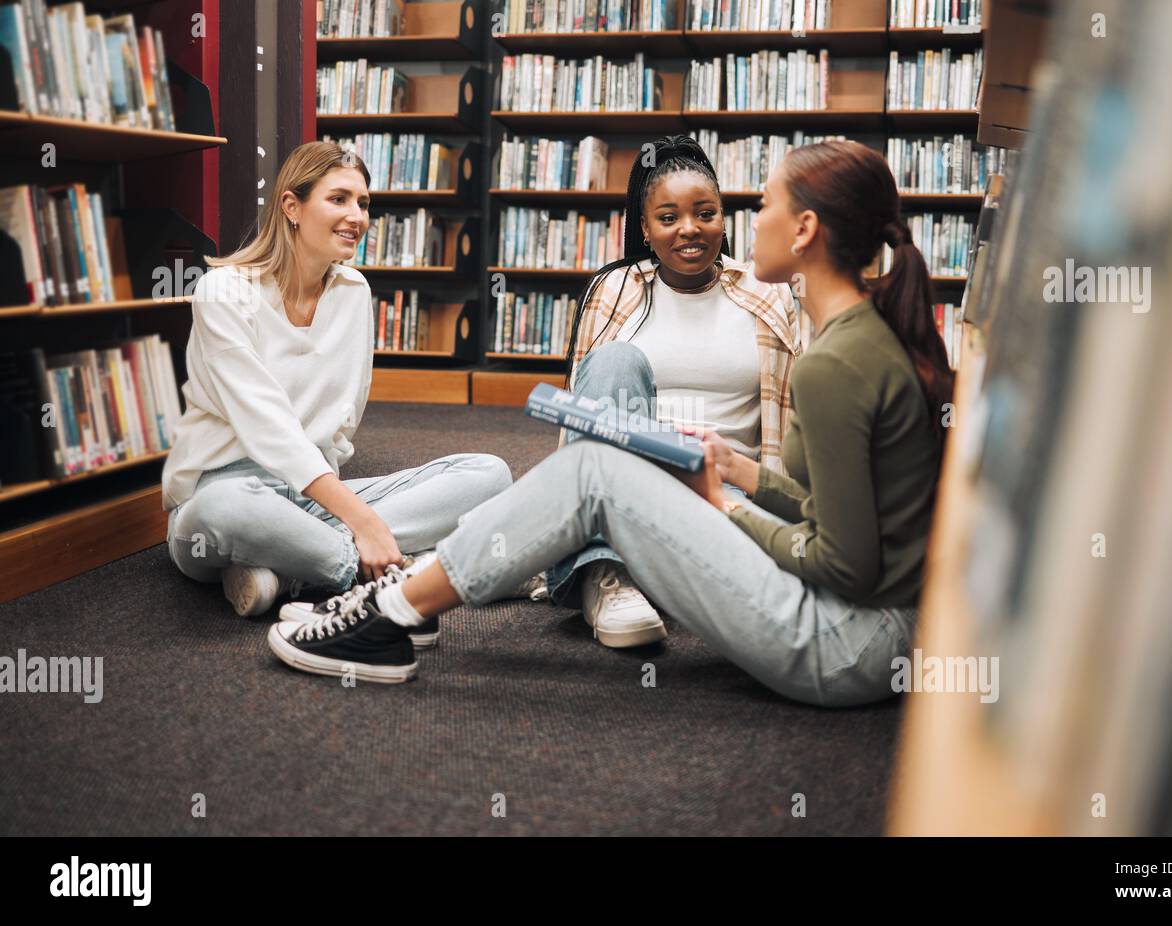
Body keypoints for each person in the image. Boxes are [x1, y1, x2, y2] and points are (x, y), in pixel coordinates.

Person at [268, 139, 954, 705]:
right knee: (598, 465)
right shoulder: (857, 338)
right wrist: (741, 472)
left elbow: (847, 566)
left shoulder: (832, 363)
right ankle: (408, 602)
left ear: (805, 230)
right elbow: (836, 518)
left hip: (843, 645)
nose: (753, 215)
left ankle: (392, 615)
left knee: (594, 473)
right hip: (860, 624)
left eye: (766, 203)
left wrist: (725, 506)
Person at [162, 141, 511, 620]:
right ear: (292, 207)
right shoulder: (222, 292)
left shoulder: (353, 291)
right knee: (223, 508)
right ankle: (386, 572)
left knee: (488, 474)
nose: (357, 216)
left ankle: (288, 572)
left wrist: (345, 509)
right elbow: (268, 429)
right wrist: (363, 522)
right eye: (339, 199)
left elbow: (344, 420)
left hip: (318, 503)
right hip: (230, 494)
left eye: (363, 203)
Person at [550, 134, 802, 648]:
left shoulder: (768, 294)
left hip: (723, 489)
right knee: (616, 359)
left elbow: (798, 416)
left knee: (767, 559)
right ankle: (606, 572)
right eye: (668, 217)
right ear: (645, 227)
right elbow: (581, 413)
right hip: (632, 481)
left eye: (704, 213)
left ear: (723, 219)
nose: (689, 229)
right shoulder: (614, 291)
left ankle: (646, 563)